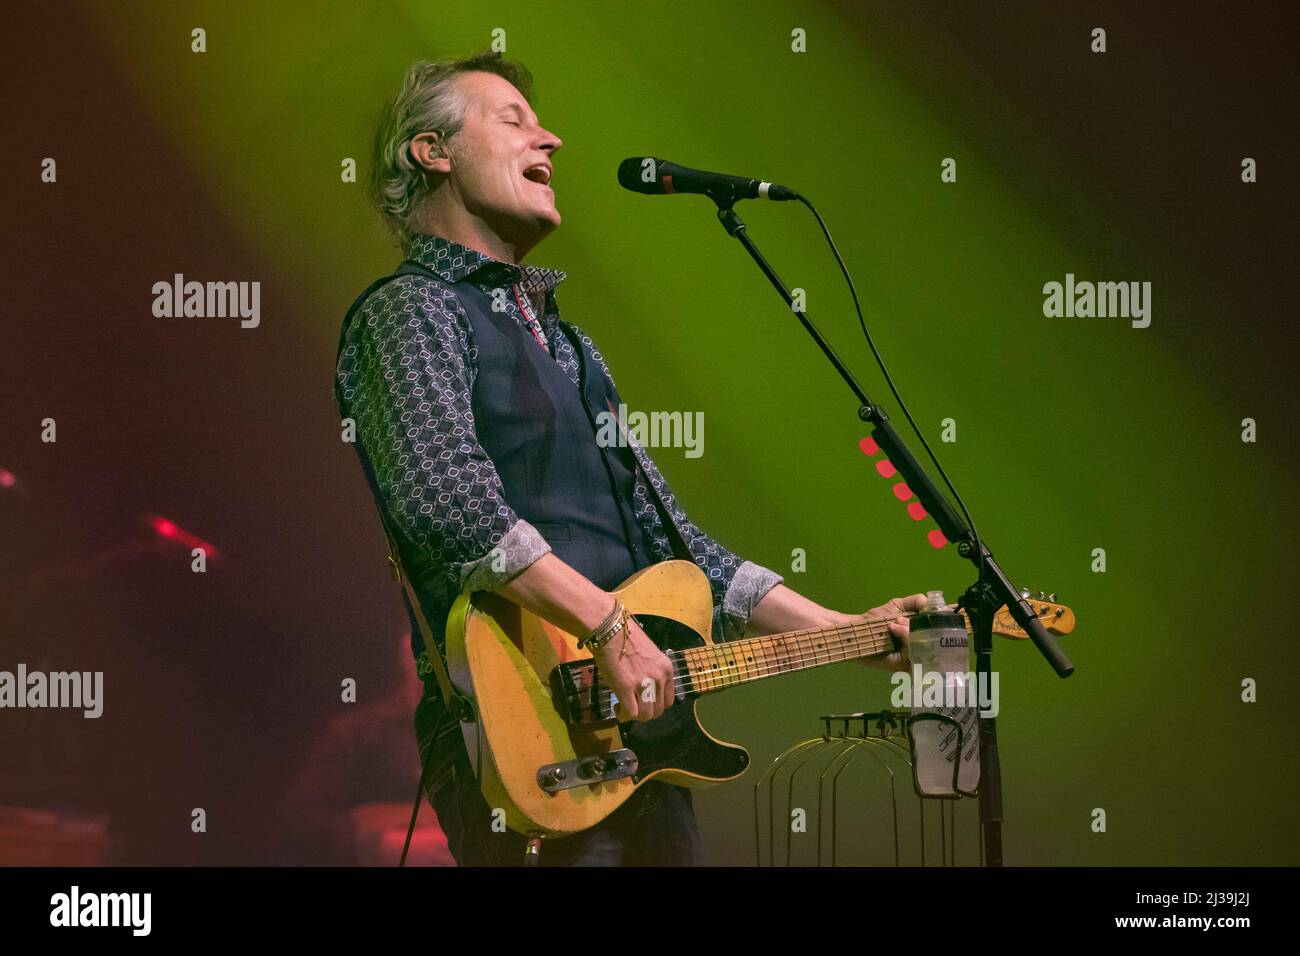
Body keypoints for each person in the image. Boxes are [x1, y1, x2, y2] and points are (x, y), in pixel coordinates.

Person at [336, 51, 927, 866]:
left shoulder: (572, 344)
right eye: (512, 121)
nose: (552, 139)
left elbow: (681, 550)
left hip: (637, 736)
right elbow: (448, 504)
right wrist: (609, 624)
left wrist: (847, 631)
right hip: (524, 733)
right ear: (431, 152)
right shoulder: (408, 313)